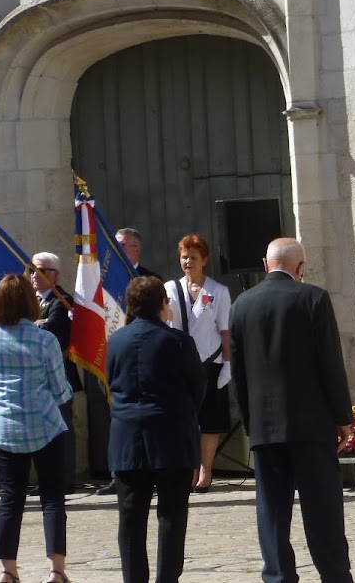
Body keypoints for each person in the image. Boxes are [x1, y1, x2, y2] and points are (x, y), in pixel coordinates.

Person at [229, 238, 354, 583]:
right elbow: (330, 363)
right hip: (311, 426)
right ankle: (335, 576)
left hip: (266, 430)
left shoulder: (241, 305)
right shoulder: (313, 298)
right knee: (323, 511)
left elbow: (237, 372)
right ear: (300, 268)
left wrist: (252, 424)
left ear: (265, 264)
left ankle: (278, 577)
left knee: (271, 513)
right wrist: (342, 417)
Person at [106, 276, 205, 583]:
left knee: (131, 519)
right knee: (172, 518)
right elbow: (198, 389)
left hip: (127, 440)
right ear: (163, 304)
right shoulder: (178, 341)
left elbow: (110, 382)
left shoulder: (115, 341)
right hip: (172, 438)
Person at [0, 274, 72, 583]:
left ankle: (8, 571)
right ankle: (56, 570)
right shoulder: (45, 339)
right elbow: (61, 390)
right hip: (45, 425)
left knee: (10, 498)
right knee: (52, 498)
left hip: (5, 428)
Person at [164, 234, 231, 493]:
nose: (188, 262)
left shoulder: (218, 291)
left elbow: (224, 330)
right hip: (181, 364)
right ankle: (189, 467)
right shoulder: (171, 289)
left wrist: (228, 363)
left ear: (204, 260)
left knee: (209, 420)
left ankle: (206, 468)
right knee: (185, 419)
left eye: (193, 257)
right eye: (184, 257)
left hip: (211, 361)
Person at [100, 228, 160, 497]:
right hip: (115, 356)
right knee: (116, 417)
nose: (115, 247)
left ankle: (153, 472)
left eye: (121, 244)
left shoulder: (152, 281)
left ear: (136, 248)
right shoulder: (102, 278)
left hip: (148, 359)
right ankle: (119, 474)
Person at [31, 252, 80, 494]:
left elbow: (54, 330)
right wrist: (37, 324)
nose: (35, 276)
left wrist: (37, 324)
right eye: (32, 270)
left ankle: (65, 479)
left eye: (42, 271)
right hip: (36, 377)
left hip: (59, 376)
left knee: (62, 427)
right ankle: (46, 480)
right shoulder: (30, 301)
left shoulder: (62, 300)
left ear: (55, 275)